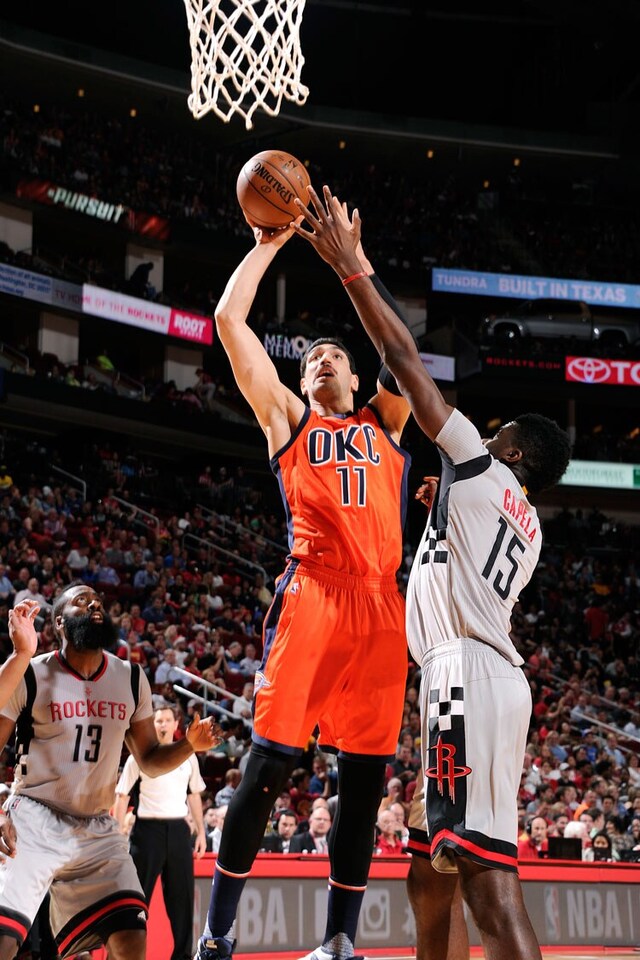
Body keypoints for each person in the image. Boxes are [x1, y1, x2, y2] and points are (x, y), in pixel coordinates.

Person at [292, 185, 571, 960]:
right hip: (486, 680)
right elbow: (467, 532)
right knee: (434, 851)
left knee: (486, 878)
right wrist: (446, 493)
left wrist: (354, 268)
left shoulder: (480, 460)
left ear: (512, 452)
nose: (487, 429)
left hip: (464, 678)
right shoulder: (527, 519)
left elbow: (403, 362)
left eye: (501, 430)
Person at [194, 207, 412, 960]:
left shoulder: (388, 422)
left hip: (384, 606)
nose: (322, 361)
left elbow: (400, 345)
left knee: (362, 786)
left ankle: (340, 942)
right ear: (300, 377)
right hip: (315, 594)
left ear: (356, 375)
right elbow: (228, 320)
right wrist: (267, 247)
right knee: (264, 769)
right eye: (311, 357)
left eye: (334, 357)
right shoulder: (289, 420)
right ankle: (217, 932)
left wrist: (354, 262)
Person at [0, 582, 222, 960]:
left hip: (97, 828)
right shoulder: (30, 672)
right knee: (4, 941)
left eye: (98, 601)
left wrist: (188, 746)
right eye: (81, 602)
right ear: (58, 623)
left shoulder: (132, 678)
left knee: (132, 941)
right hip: (34, 819)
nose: (94, 606)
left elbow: (149, 758)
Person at [113, 704, 208, 960]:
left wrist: (201, 832)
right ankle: (121, 956)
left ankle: (183, 956)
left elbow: (195, 794)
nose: (163, 725)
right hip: (147, 833)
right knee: (136, 901)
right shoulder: (138, 756)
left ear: (177, 724)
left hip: (178, 830)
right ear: (152, 725)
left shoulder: (189, 756)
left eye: (167, 720)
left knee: (183, 901)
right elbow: (122, 796)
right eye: (159, 721)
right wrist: (117, 834)